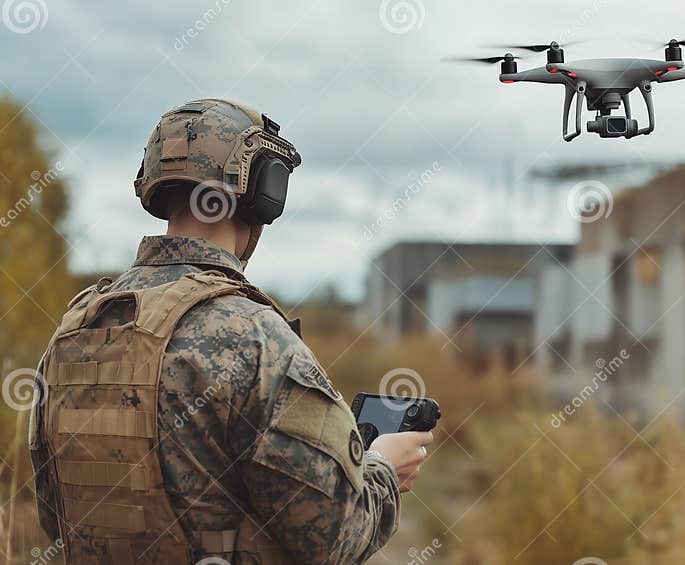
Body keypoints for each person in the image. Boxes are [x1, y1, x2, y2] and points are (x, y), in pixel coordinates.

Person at [28, 98, 433, 564]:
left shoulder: (73, 332)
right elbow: (335, 537)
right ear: (259, 191)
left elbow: (52, 513)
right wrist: (382, 469)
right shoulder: (255, 337)